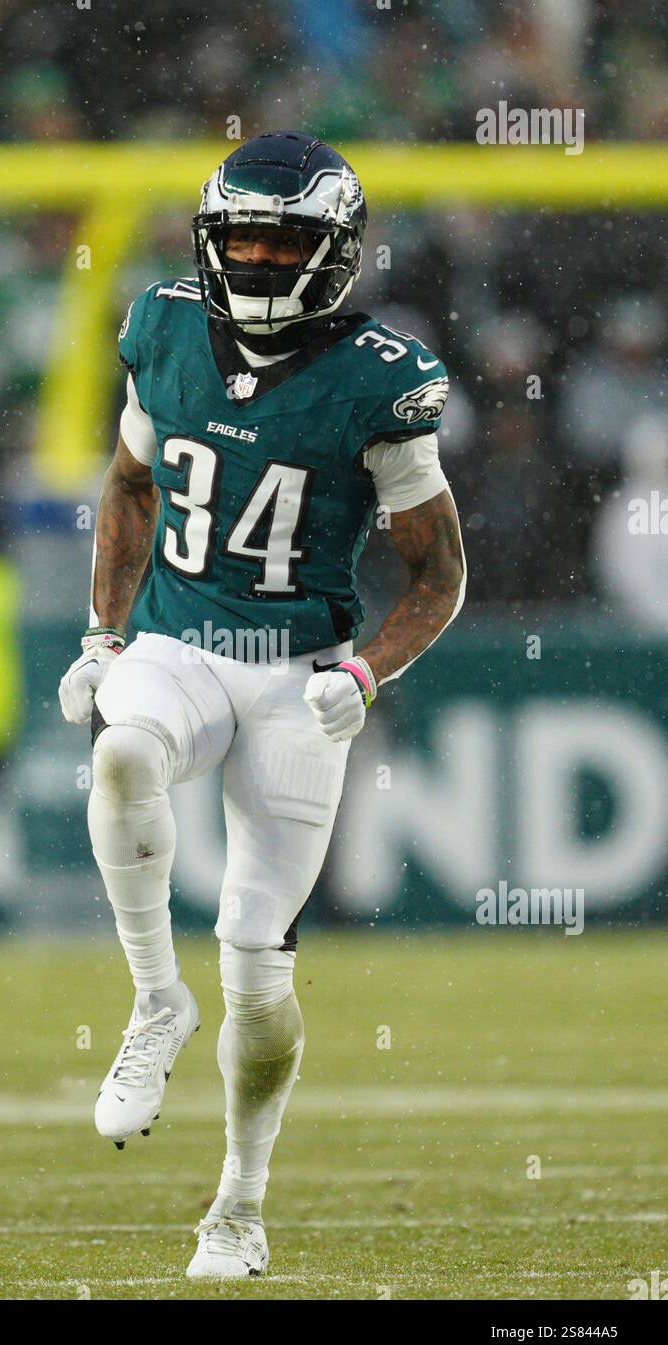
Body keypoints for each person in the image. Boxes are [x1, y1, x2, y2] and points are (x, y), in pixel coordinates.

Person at [59, 132, 465, 1278]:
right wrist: (101, 635)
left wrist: (362, 670)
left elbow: (436, 575)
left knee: (256, 958)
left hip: (296, 669)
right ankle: (151, 1001)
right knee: (123, 752)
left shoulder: (380, 377)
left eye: (282, 239)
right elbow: (131, 484)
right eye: (238, 234)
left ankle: (237, 1202)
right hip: (181, 640)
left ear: (332, 254)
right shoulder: (163, 326)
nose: (255, 257)